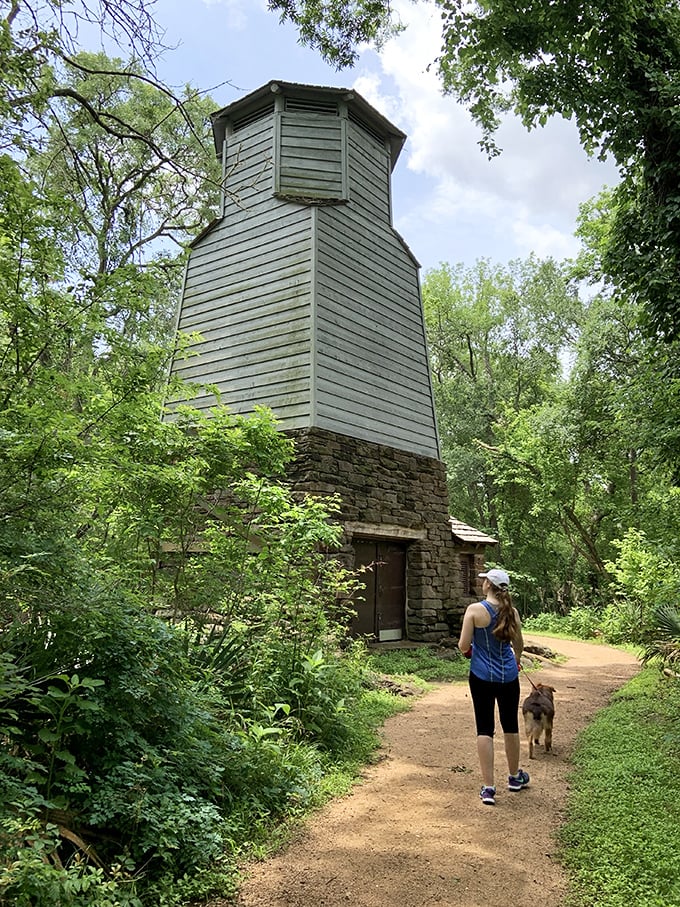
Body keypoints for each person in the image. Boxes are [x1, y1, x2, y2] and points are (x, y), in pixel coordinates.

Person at [457, 567, 530, 806]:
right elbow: (518, 645)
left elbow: (463, 645)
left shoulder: (475, 610)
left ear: (488, 585)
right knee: (510, 725)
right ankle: (514, 777)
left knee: (484, 728)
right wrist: (515, 662)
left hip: (481, 676)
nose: (482, 583)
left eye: (484, 580)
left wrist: (472, 652)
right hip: (508, 677)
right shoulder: (512, 612)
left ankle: (489, 788)